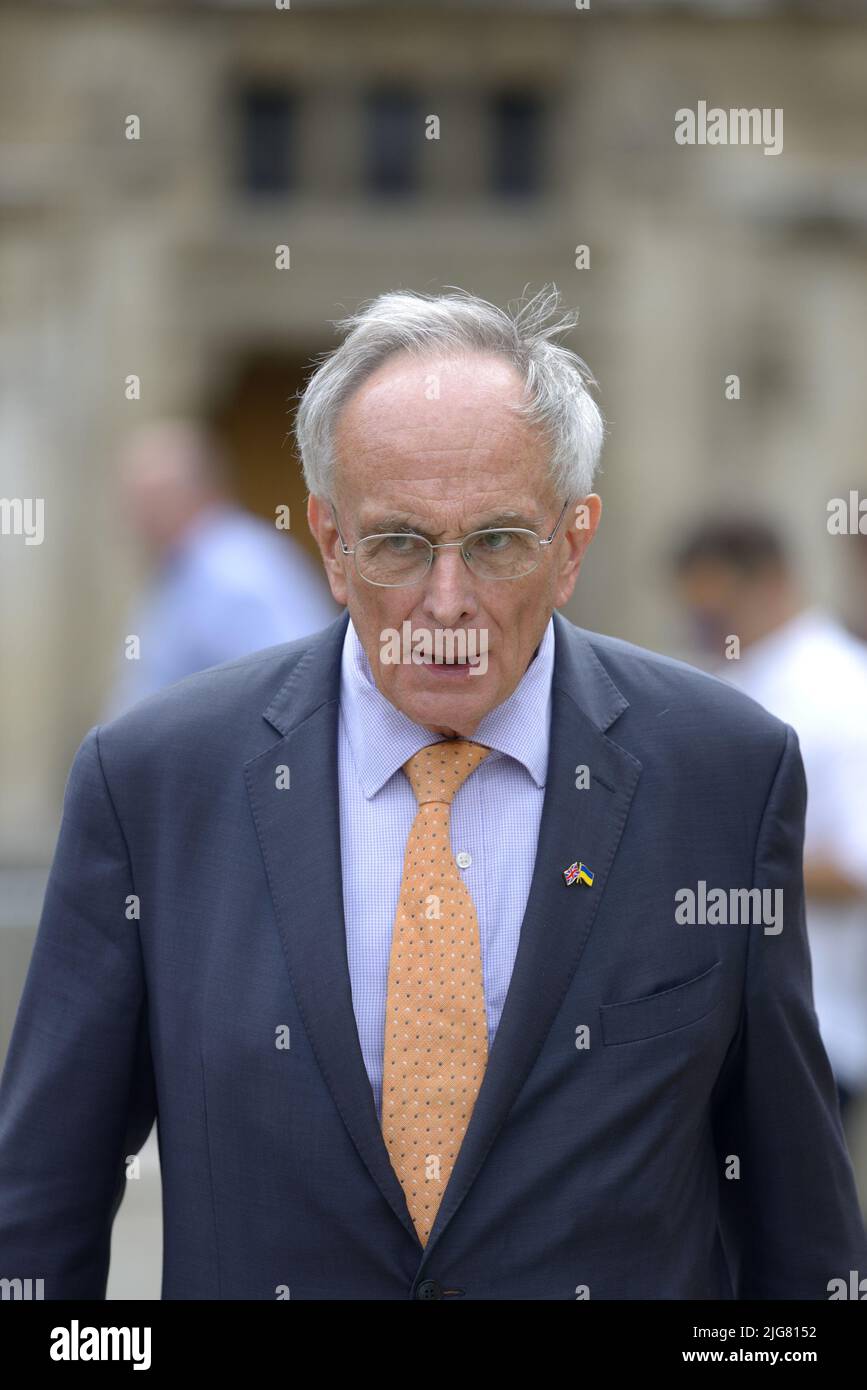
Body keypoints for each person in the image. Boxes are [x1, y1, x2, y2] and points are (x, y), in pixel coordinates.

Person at [0, 287, 864, 1301]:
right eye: (399, 543)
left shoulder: (723, 772)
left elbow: (795, 1219)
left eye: (497, 542)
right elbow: (41, 1208)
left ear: (574, 543)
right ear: (329, 543)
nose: (444, 601)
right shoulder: (154, 782)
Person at [673, 519, 867, 1130]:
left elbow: (859, 868)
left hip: (812, 1028)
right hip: (710, 1024)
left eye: (720, 607)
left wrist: (720, 863)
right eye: (697, 613)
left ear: (773, 584)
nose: (709, 627)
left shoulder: (842, 691)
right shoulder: (714, 677)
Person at [103, 417, 338, 718]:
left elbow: (295, 684)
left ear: (201, 489)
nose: (140, 517)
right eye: (135, 501)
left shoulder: (238, 570)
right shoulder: (181, 566)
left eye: (155, 497)